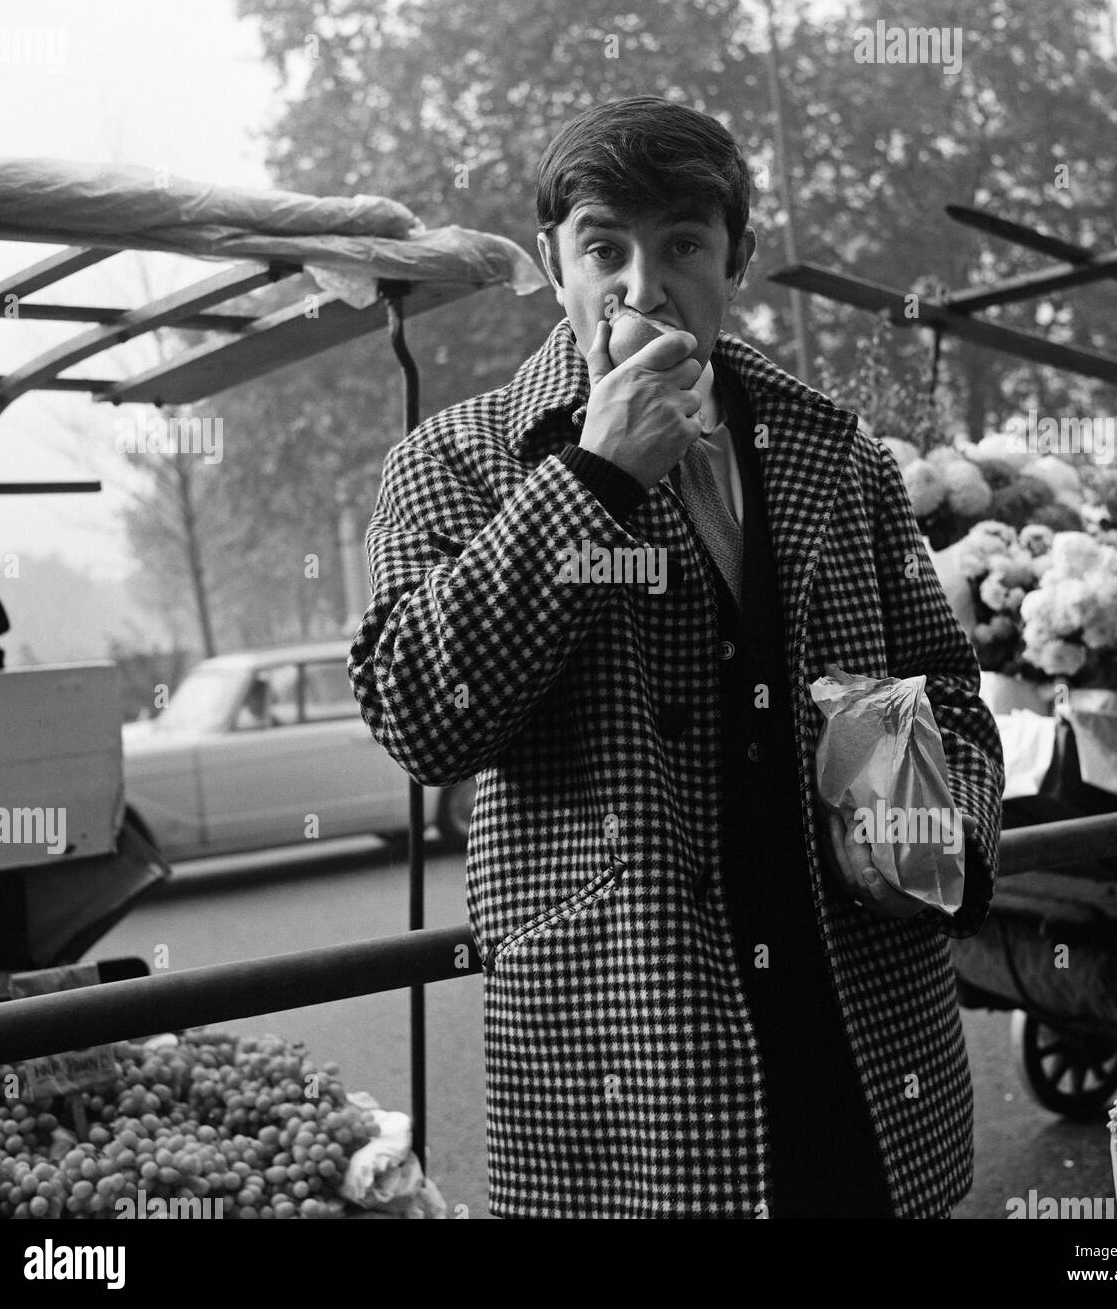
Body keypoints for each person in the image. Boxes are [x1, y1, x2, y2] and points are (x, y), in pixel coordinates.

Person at [349, 96, 1004, 1219]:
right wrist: (594, 478)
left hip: (856, 1034)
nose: (642, 286)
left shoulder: (836, 453)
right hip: (629, 1057)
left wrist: (934, 826)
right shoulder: (455, 462)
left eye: (683, 246)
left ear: (736, 258)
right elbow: (418, 715)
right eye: (604, 247)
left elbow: (946, 686)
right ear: (556, 265)